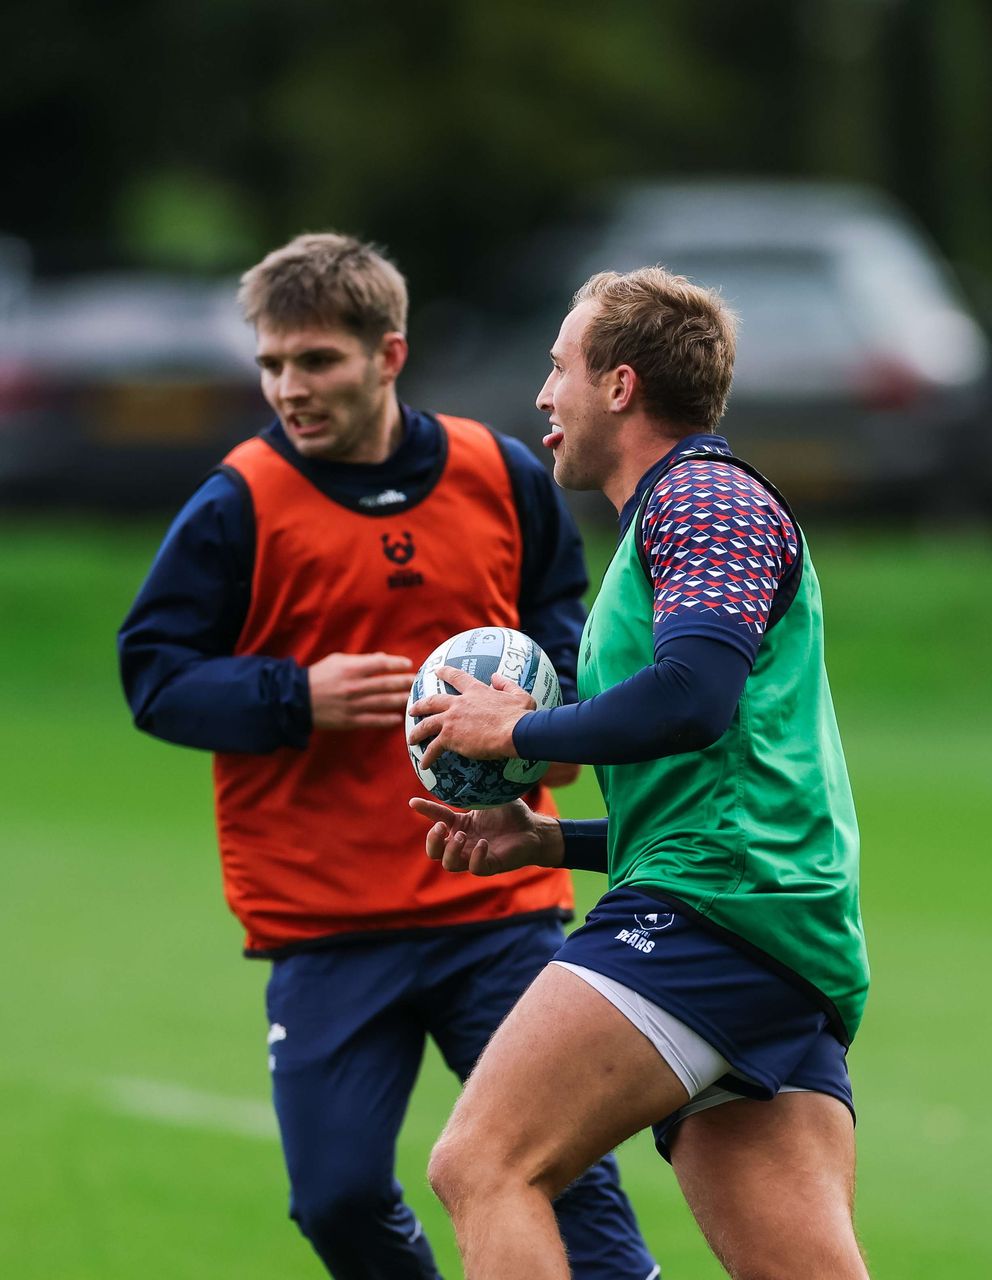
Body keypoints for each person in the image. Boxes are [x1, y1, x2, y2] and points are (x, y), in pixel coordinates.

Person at [117, 234, 659, 1280]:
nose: (289, 387)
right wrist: (293, 694)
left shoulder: (501, 474)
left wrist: (537, 714)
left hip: (495, 903)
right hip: (326, 920)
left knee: (561, 1172)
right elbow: (155, 676)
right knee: (337, 1198)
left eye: (315, 360)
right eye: (272, 363)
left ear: (388, 354)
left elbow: (566, 633)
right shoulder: (238, 502)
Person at [408, 266, 871, 1280]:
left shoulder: (703, 496)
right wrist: (550, 841)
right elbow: (724, 780)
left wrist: (519, 732)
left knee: (483, 1163)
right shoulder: (665, 521)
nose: (543, 395)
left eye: (559, 365)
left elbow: (690, 697)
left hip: (719, 917)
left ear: (619, 387)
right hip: (766, 925)